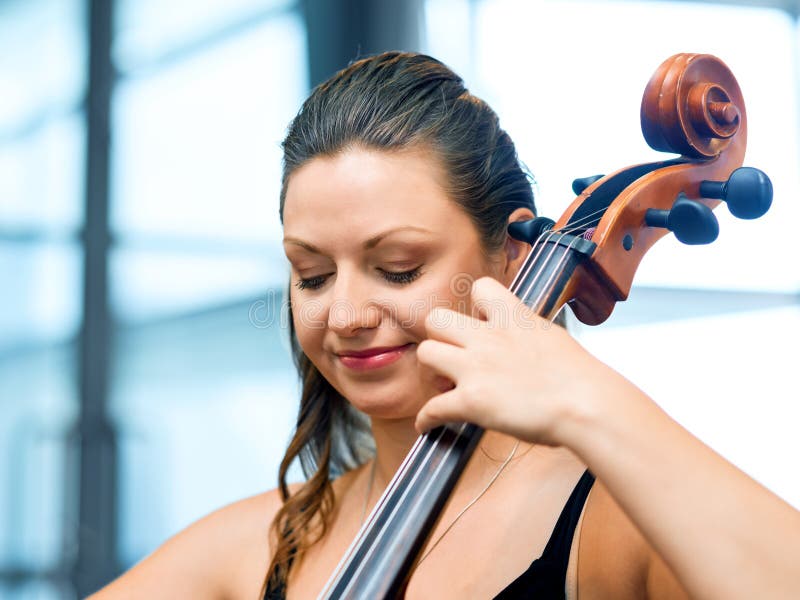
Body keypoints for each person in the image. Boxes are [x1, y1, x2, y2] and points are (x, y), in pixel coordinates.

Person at [89, 51, 800, 600]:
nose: (344, 315)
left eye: (398, 268)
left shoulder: (609, 525)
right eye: (311, 275)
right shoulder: (270, 544)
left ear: (513, 258)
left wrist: (589, 399)